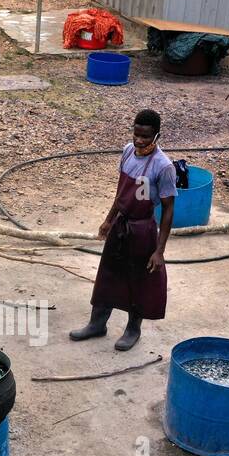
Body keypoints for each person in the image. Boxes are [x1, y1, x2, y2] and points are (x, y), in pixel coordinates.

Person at [70, 108, 175, 351]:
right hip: (121, 225)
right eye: (136, 134)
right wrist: (109, 220)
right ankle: (97, 323)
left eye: (146, 137)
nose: (139, 140)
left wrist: (159, 250)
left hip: (143, 230)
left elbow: (169, 210)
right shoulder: (128, 151)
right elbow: (121, 192)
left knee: (138, 280)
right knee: (108, 273)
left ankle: (132, 329)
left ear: (157, 135)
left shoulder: (164, 166)